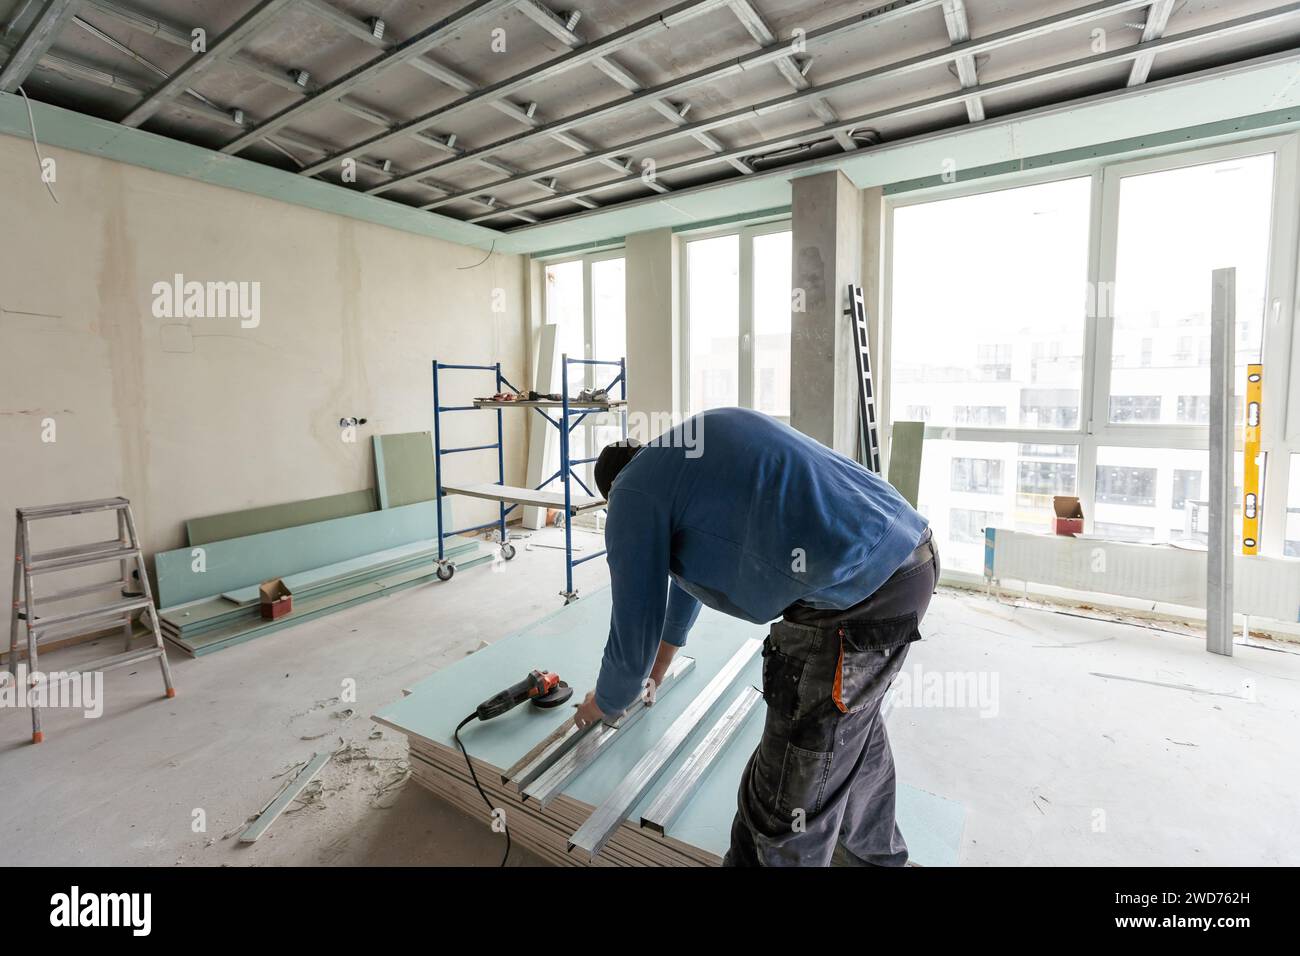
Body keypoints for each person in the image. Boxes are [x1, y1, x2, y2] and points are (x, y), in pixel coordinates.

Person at [572, 406, 939, 866]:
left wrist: (607, 701)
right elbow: (687, 578)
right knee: (847, 740)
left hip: (851, 601)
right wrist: (661, 667)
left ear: (612, 491)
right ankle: (876, 860)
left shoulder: (630, 493)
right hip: (907, 557)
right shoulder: (684, 459)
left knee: (783, 808)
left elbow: (633, 621)